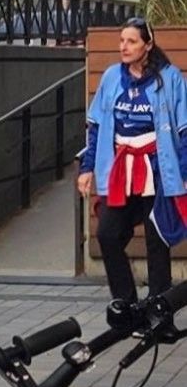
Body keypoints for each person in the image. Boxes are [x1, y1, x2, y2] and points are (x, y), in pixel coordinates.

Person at [77, 16, 187, 304]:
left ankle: (159, 311)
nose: (123, 47)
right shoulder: (113, 76)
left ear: (148, 45)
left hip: (158, 169)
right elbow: (96, 125)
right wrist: (87, 168)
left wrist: (185, 171)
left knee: (157, 239)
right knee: (108, 234)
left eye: (131, 41)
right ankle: (126, 304)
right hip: (121, 170)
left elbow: (184, 129)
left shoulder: (170, 77)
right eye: (121, 41)